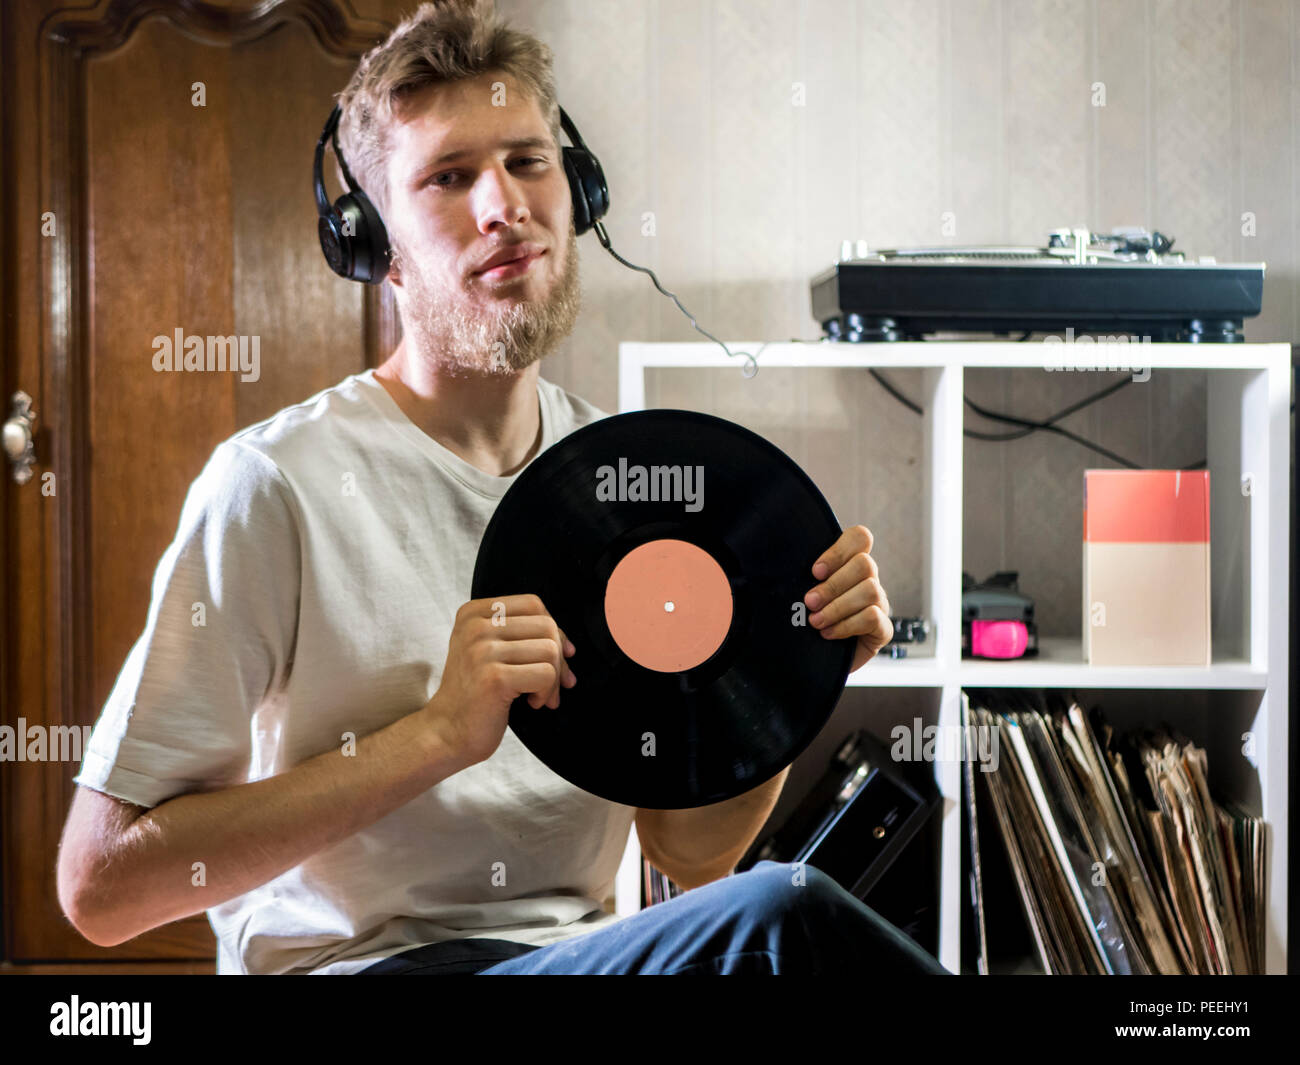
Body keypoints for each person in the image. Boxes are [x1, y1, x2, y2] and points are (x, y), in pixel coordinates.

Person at [56, 0, 943, 977]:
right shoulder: (275, 485)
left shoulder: (626, 478)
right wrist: (436, 736)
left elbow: (692, 857)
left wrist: (794, 679)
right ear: (370, 243)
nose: (503, 204)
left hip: (572, 957)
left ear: (580, 193)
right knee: (790, 915)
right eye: (448, 176)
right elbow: (102, 888)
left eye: (527, 161)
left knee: (768, 913)